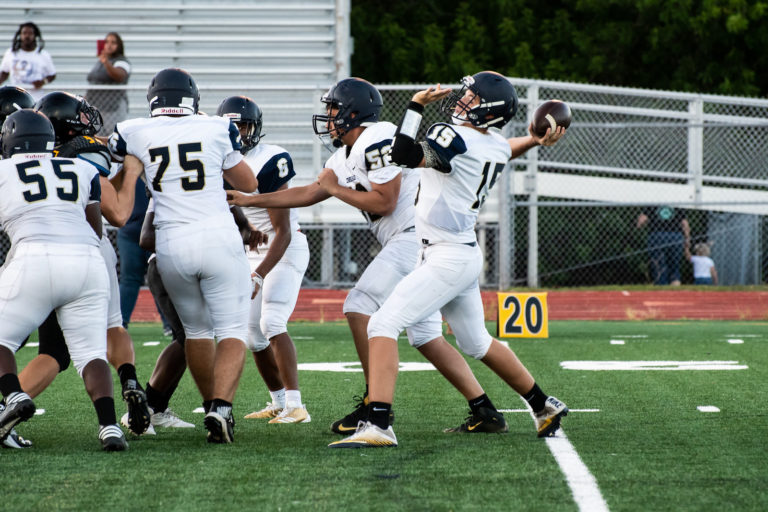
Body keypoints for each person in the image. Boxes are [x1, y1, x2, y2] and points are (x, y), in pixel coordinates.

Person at [228, 77, 510, 438]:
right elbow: (310, 193)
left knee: (358, 304)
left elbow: (385, 201)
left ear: (352, 112)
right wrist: (250, 200)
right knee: (424, 335)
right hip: (414, 242)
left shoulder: (377, 137)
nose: (328, 117)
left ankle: (374, 403)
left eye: (333, 109)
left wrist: (336, 189)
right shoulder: (343, 153)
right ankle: (484, 409)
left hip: (414, 237)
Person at [329, 71, 568, 448]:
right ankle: (543, 405)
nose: (462, 100)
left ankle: (378, 424)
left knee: (381, 325)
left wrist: (415, 106)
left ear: (487, 110)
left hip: (444, 257)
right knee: (475, 342)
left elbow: (401, 154)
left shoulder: (454, 136)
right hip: (460, 253)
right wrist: (536, 140)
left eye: (471, 99)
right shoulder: (494, 145)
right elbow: (508, 147)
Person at [108, 68, 258, 444]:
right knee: (232, 331)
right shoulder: (215, 128)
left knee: (195, 332)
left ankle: (211, 405)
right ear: (192, 98)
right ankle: (222, 408)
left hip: (169, 244)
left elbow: (118, 178)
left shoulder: (132, 131)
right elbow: (248, 184)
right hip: (217, 237)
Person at [16, 91, 150, 437]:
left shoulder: (24, 159)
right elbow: (117, 211)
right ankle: (129, 381)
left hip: (37, 254)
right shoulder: (84, 157)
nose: (89, 121)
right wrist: (132, 173)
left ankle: (10, 405)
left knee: (53, 351)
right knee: (111, 329)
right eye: (82, 116)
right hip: (89, 252)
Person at [0, 109, 127, 451]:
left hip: (35, 258)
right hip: (88, 260)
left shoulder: (3, 171)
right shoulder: (81, 168)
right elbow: (96, 228)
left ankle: (13, 396)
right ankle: (110, 427)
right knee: (91, 354)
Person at [218, 95, 311, 424]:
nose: (239, 133)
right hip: (253, 249)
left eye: (244, 125)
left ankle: (298, 406)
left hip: (285, 248)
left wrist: (257, 274)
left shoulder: (270, 159)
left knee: (272, 323)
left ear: (255, 128)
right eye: (232, 127)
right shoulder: (219, 161)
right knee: (251, 334)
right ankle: (279, 401)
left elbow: (282, 231)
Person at [86, 32, 130, 136]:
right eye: (107, 42)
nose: (109, 45)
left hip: (112, 108)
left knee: (113, 138)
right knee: (97, 138)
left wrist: (106, 62)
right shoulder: (100, 61)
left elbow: (119, 75)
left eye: (113, 42)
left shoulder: (122, 61)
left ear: (119, 45)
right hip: (97, 107)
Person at [0, 22, 55, 102]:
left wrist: (43, 82)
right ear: (20, 35)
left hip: (36, 99)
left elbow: (52, 74)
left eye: (30, 33)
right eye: (24, 33)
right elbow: (4, 72)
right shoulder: (11, 53)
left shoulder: (43, 55)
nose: (27, 36)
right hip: (16, 98)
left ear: (35, 35)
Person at [637, 206, 690, 285]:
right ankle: (675, 286)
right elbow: (685, 224)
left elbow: (643, 220)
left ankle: (661, 287)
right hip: (675, 235)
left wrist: (639, 224)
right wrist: (687, 239)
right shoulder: (677, 203)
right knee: (674, 267)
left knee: (658, 266)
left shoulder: (654, 202)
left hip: (657, 235)